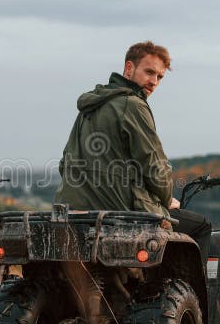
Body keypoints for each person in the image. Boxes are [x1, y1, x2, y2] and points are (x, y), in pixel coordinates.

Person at [54, 41, 211, 259]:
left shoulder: (90, 107)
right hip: (122, 212)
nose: (154, 82)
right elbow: (154, 166)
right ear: (129, 68)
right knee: (201, 226)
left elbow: (65, 163)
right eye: (149, 72)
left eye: (160, 77)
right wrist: (166, 200)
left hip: (74, 210)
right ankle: (192, 293)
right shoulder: (133, 105)